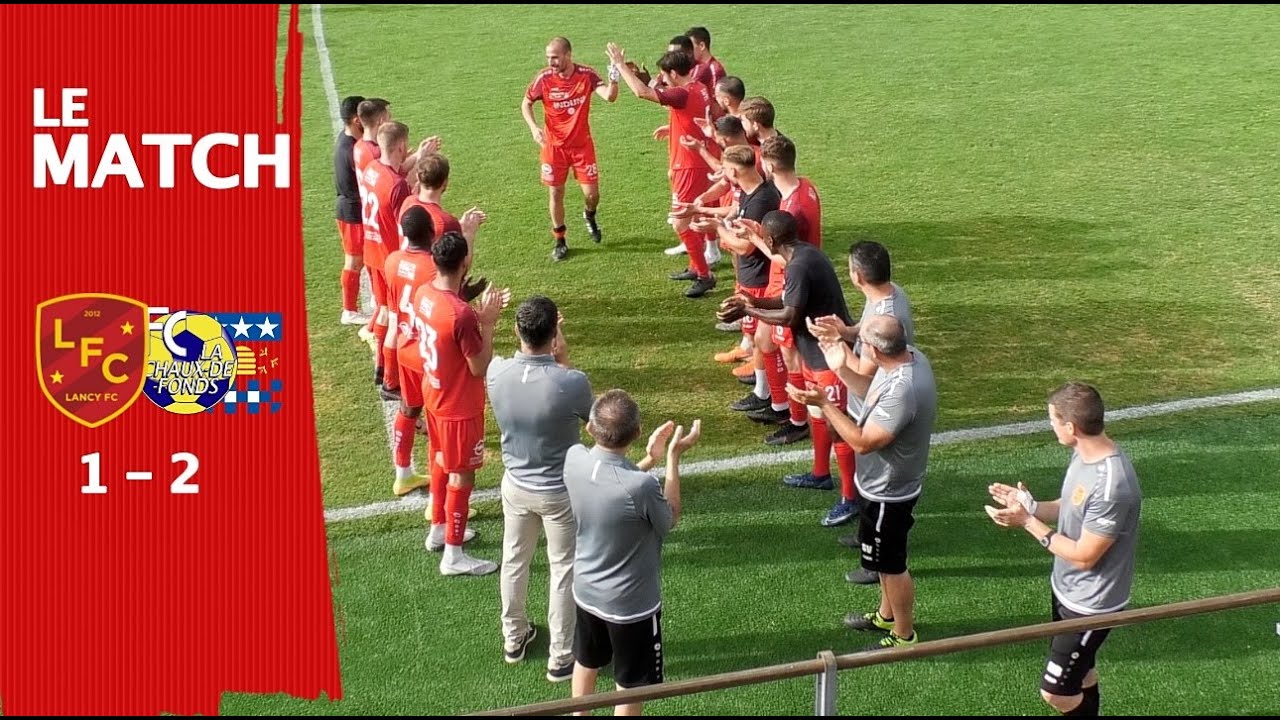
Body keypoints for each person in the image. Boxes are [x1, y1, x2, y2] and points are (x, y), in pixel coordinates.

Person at [985, 382, 1142, 717]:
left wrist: (1027, 522)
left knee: (1055, 692)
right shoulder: (1084, 454)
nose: (1051, 427)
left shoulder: (1112, 485)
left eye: (1053, 421)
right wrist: (1030, 505)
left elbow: (1086, 555)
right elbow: (1070, 506)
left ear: (1071, 427)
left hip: (1091, 604)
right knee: (1080, 673)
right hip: (1067, 590)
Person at [788, 315, 937, 649]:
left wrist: (825, 404)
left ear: (874, 350)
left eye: (862, 344)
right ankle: (886, 614)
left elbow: (862, 442)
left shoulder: (903, 390)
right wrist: (840, 367)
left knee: (892, 564)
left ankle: (904, 634)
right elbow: (872, 393)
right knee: (883, 561)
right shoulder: (911, 358)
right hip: (879, 485)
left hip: (890, 490)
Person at [562, 390, 701, 715]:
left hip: (584, 591)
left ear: (590, 429)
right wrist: (671, 459)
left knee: (587, 660)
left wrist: (648, 460)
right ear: (637, 433)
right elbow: (670, 519)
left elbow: (610, 486)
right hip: (630, 607)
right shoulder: (640, 487)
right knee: (630, 683)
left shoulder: (574, 458)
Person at [718, 211, 858, 527]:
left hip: (830, 358)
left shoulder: (798, 264)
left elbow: (790, 315)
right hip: (814, 353)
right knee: (819, 416)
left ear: (769, 240)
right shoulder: (803, 256)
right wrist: (748, 301)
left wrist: (748, 309)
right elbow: (787, 298)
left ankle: (851, 498)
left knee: (838, 426)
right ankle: (821, 473)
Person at [487, 296, 594, 684]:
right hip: (559, 493)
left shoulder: (497, 373)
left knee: (515, 560)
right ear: (554, 335)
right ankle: (561, 656)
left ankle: (513, 638)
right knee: (563, 568)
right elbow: (594, 422)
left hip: (516, 485)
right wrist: (562, 351)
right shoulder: (571, 382)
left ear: (517, 331)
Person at [412, 231, 511, 576]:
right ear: (464, 263)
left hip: (434, 395)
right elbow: (479, 366)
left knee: (440, 461)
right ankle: (453, 554)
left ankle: (438, 528)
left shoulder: (424, 293)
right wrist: (489, 323)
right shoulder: (462, 315)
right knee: (462, 477)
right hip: (458, 406)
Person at [609, 43, 717, 298]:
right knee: (693, 216)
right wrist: (674, 129)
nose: (663, 80)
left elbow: (641, 92)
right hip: (694, 162)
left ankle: (704, 275)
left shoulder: (682, 93)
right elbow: (697, 120)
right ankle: (695, 266)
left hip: (688, 165)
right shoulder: (699, 89)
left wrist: (620, 65)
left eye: (664, 75)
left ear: (674, 73)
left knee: (681, 221)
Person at [522, 37, 619, 261]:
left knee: (592, 195)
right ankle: (560, 240)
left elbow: (610, 97)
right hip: (554, 148)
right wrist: (534, 128)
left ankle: (590, 214)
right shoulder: (543, 78)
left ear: (568, 55)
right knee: (556, 192)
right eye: (548, 57)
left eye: (555, 57)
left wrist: (614, 77)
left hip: (582, 148)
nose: (551, 62)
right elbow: (526, 103)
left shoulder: (587, 75)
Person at [759, 135, 821, 446]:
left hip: (791, 282)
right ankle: (780, 404)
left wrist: (757, 238)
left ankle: (798, 421)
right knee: (765, 340)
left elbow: (787, 253)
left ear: (769, 165)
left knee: (792, 355)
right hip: (789, 276)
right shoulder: (806, 186)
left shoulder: (793, 208)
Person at [333, 94, 371, 326]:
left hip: (351, 210)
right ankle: (349, 310)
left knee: (361, 259)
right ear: (358, 120)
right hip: (352, 213)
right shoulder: (351, 150)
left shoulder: (346, 141)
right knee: (354, 261)